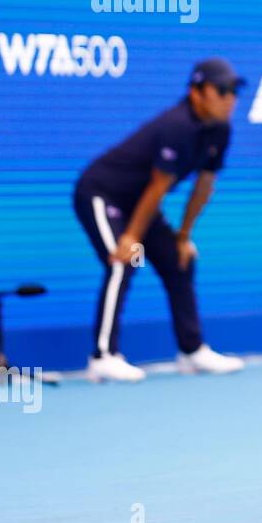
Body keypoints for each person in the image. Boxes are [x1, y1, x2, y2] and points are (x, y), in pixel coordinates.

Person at [73, 59, 247, 382]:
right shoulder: (177, 126)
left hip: (140, 205)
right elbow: (158, 187)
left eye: (234, 91)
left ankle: (191, 351)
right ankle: (102, 356)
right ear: (198, 92)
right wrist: (129, 238)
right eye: (222, 90)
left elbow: (204, 186)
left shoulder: (220, 131)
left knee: (177, 260)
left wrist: (182, 237)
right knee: (123, 261)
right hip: (101, 195)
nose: (230, 98)